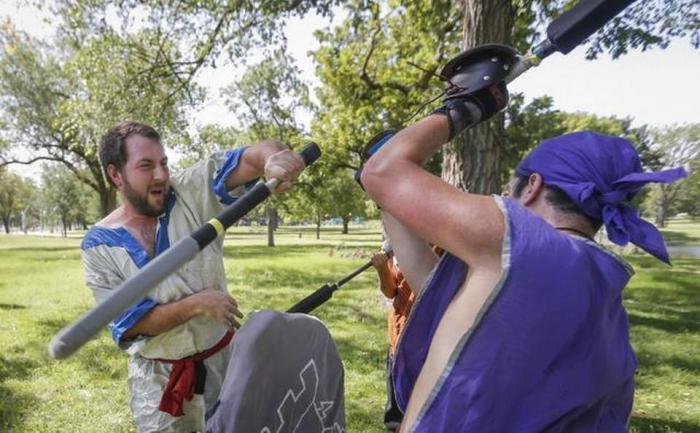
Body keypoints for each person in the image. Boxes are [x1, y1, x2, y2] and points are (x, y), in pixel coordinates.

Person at [360, 104, 686, 430]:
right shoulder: (598, 283)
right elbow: (445, 301)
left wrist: (466, 105)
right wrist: (386, 201)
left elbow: (384, 171)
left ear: (532, 186)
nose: (502, 196)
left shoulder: (522, 241)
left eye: (509, 187)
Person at [80, 121, 305, 432]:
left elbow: (252, 158)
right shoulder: (99, 244)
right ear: (115, 174)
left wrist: (274, 159)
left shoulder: (190, 192)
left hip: (224, 365)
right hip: (157, 383)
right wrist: (197, 305)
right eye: (146, 166)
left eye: (163, 163)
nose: (161, 175)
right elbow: (130, 324)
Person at [371, 245, 415, 432]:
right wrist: (382, 268)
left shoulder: (445, 243)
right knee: (397, 416)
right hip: (398, 339)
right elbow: (391, 291)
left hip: (428, 343)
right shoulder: (400, 240)